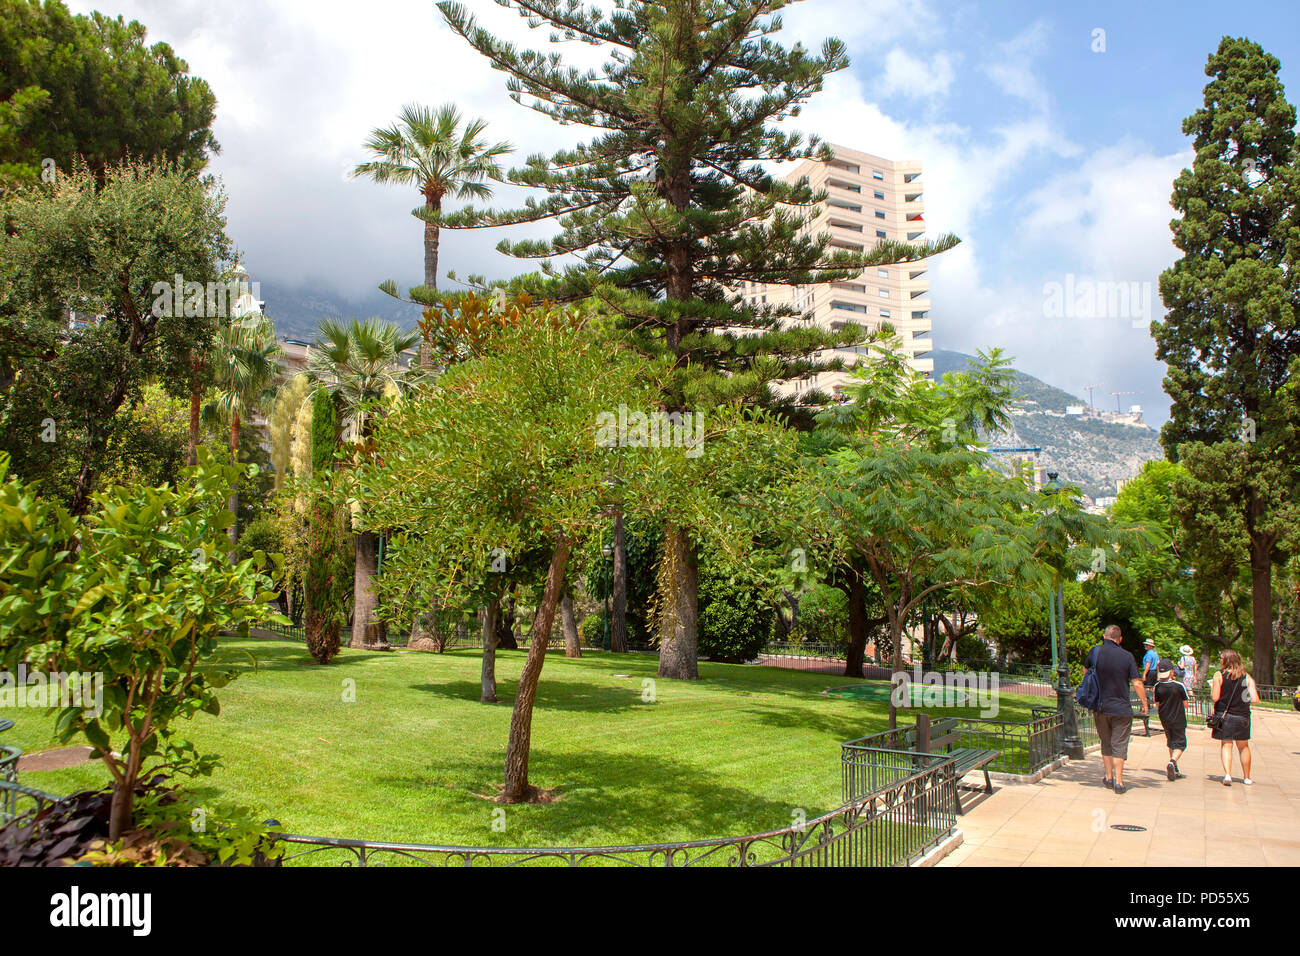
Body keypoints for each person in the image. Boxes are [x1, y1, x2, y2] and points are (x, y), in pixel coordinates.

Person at [1082, 625, 1149, 794]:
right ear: (1120, 639)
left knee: (1106, 742)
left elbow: (1085, 671)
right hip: (1121, 708)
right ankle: (1119, 782)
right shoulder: (1127, 656)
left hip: (1101, 706)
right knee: (1119, 744)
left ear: (1104, 636)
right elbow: (1136, 682)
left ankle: (1108, 777)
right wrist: (1144, 703)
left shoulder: (1095, 652)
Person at [1209, 649, 1256, 786]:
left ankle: (1228, 775)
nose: (1219, 660)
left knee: (1226, 744)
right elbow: (1255, 699)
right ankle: (1247, 777)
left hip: (1225, 715)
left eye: (1221, 658)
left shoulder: (1219, 675)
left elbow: (1215, 697)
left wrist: (1213, 687)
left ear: (1227, 660)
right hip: (1243, 716)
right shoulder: (1246, 676)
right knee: (1243, 746)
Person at [1153, 659, 1188, 780]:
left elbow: (1157, 704)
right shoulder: (1178, 686)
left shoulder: (1157, 687)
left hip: (1164, 718)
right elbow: (1186, 704)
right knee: (1180, 743)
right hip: (1178, 718)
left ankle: (1175, 768)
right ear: (1171, 672)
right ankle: (1172, 762)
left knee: (1171, 741)